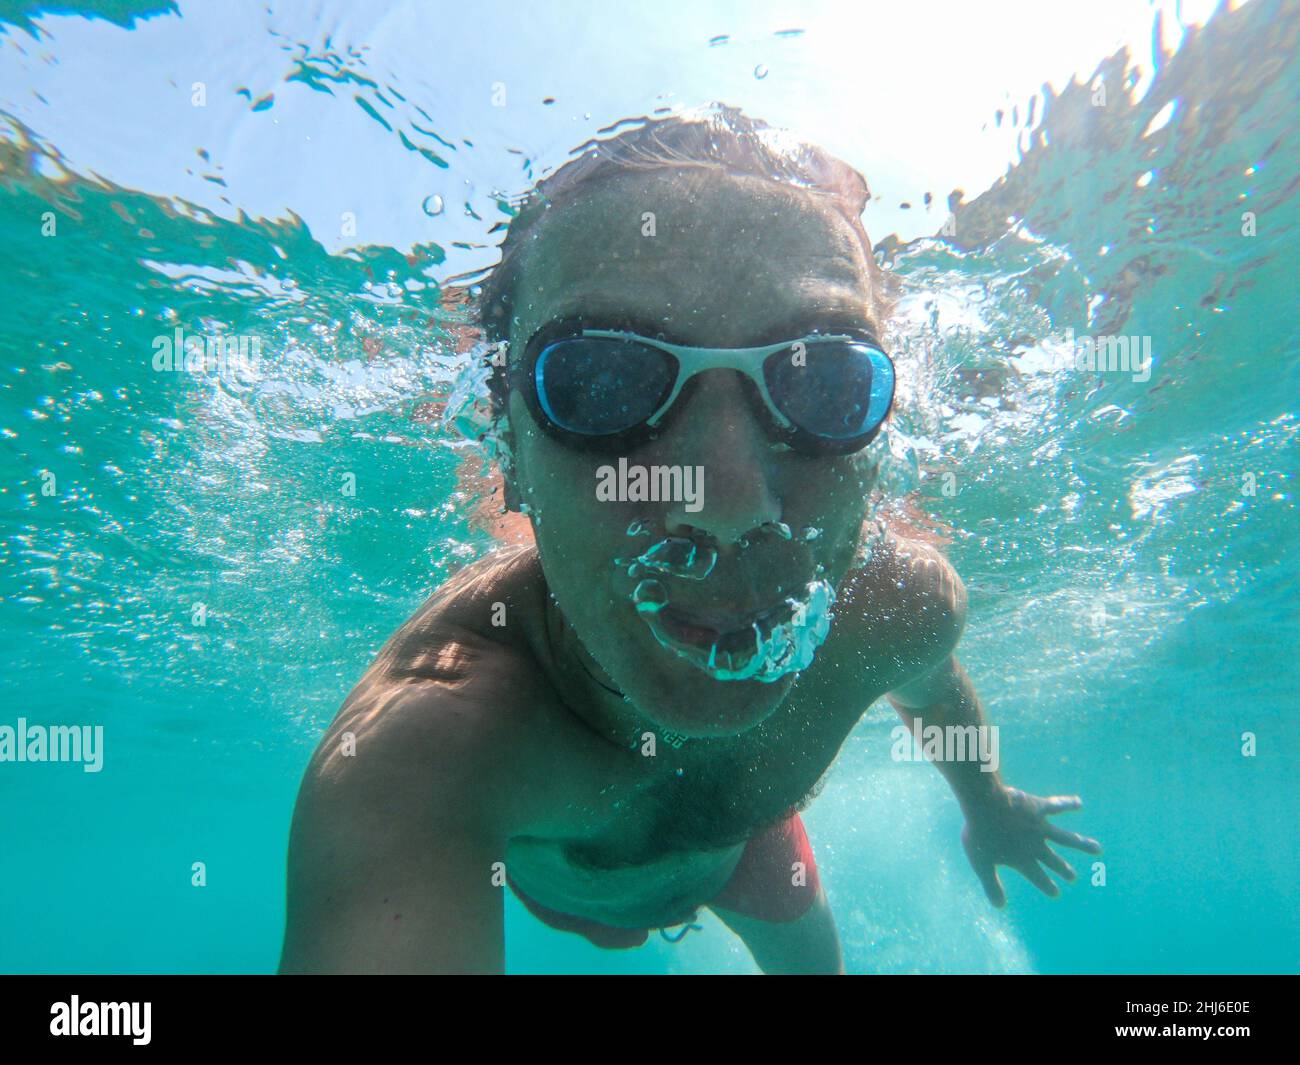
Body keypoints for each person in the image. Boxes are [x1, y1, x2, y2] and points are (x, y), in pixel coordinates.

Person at [278, 105, 1100, 975]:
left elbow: (933, 694)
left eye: (822, 381)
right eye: (601, 381)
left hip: (748, 853)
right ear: (508, 448)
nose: (728, 506)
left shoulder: (899, 608)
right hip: (571, 898)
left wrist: (990, 802)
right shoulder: (429, 743)